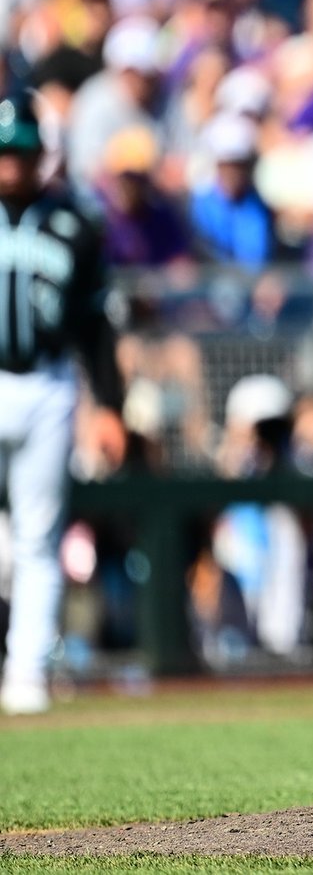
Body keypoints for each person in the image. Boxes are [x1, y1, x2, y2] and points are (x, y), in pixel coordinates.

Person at [0, 89, 124, 715]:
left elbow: (98, 325)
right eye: (3, 154)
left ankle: (25, 676)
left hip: (48, 383)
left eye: (20, 154)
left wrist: (108, 404)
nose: (11, 166)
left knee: (39, 538)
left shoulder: (72, 222)